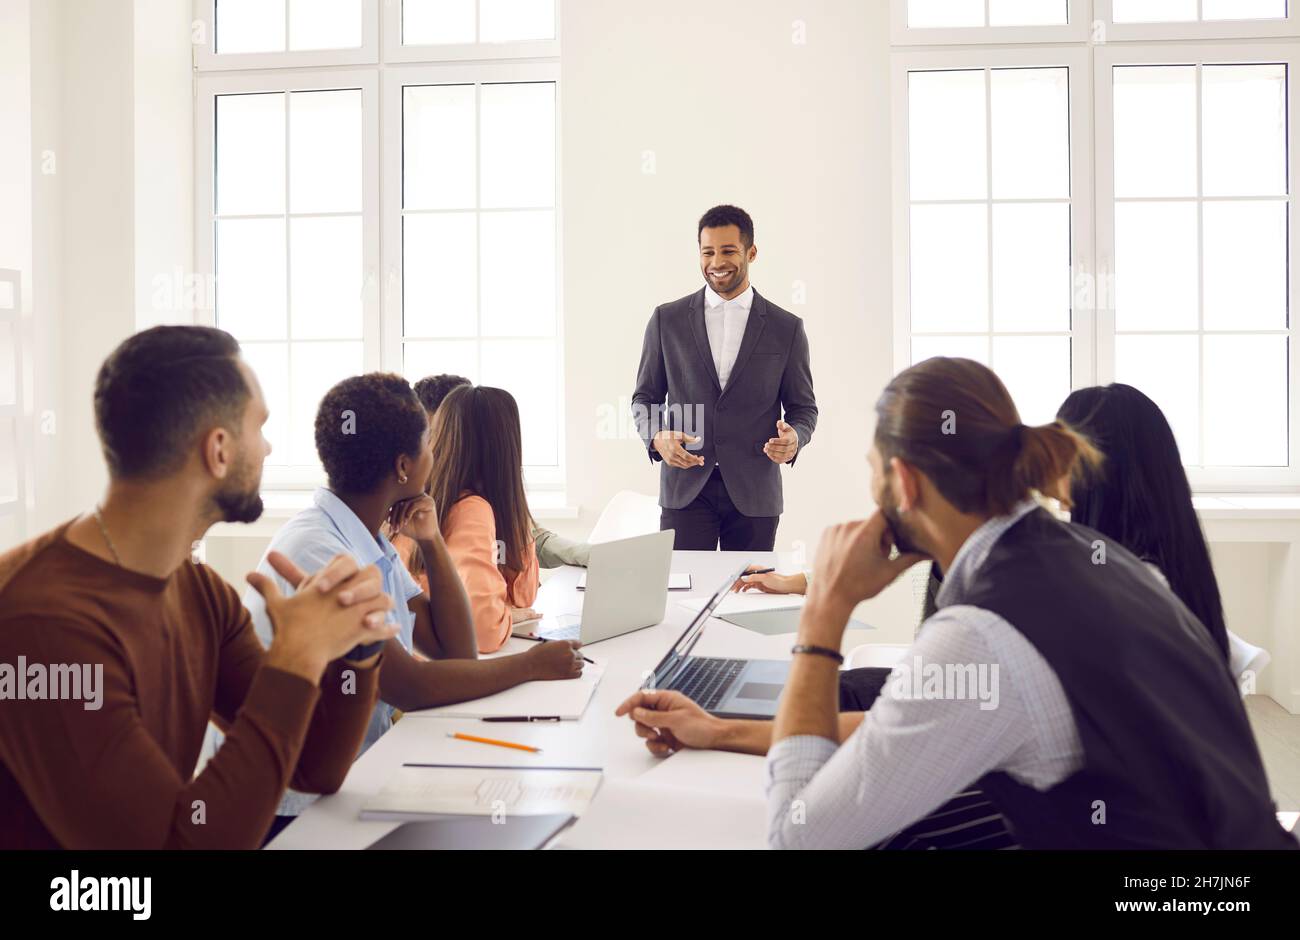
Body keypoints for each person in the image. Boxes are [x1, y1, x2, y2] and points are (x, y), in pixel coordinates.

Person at [622, 357, 1295, 849]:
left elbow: (799, 835)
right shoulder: (1099, 564)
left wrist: (824, 611)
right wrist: (720, 730)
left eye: (872, 471)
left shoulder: (987, 632)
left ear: (904, 483)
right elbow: (913, 723)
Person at [0, 326, 395, 849]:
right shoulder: (42, 622)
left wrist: (357, 649)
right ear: (219, 450)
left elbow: (315, 768)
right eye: (261, 426)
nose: (270, 445)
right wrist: (295, 659)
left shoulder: (198, 590)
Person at [240, 374, 584, 839]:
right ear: (404, 465)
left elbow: (453, 648)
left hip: (356, 771)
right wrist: (530, 665)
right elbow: (410, 685)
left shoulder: (366, 534)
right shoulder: (320, 549)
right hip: (293, 810)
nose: (438, 453)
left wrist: (433, 541)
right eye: (430, 442)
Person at [632, 204, 818, 552]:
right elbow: (644, 399)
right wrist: (657, 436)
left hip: (755, 494)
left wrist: (796, 437)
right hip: (685, 490)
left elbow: (804, 408)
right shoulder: (666, 320)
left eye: (729, 251)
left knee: (749, 600)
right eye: (708, 252)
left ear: (752, 252)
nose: (717, 262)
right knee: (682, 600)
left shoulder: (786, 328)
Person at [404, 373, 590, 573]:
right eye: (435, 434)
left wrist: (595, 555)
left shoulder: (487, 485)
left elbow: (532, 538)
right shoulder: (413, 509)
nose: (441, 446)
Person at [428, 384, 543, 653]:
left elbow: (522, 597)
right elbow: (484, 633)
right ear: (507, 447)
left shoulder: (474, 504)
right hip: (435, 672)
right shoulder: (469, 510)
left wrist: (512, 506)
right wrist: (505, 616)